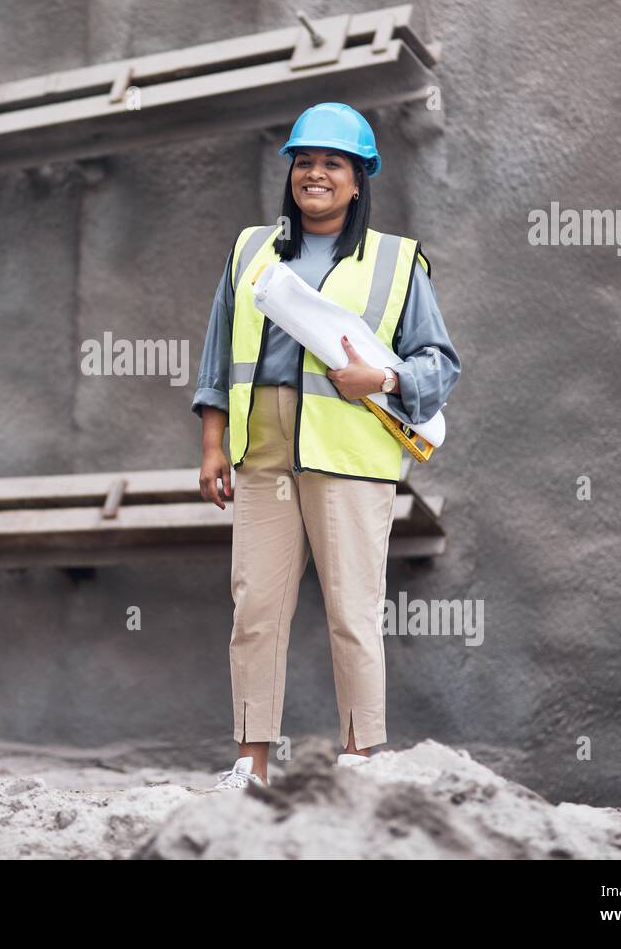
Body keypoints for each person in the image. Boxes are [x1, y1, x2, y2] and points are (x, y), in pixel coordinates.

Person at [191, 102, 461, 790]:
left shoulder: (398, 262)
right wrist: (213, 444)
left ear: (357, 178)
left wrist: (386, 375)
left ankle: (359, 756)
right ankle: (251, 763)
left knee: (353, 607)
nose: (315, 173)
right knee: (255, 606)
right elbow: (219, 354)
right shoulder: (251, 249)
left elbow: (441, 363)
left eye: (332, 163)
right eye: (304, 161)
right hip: (264, 447)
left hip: (349, 450)